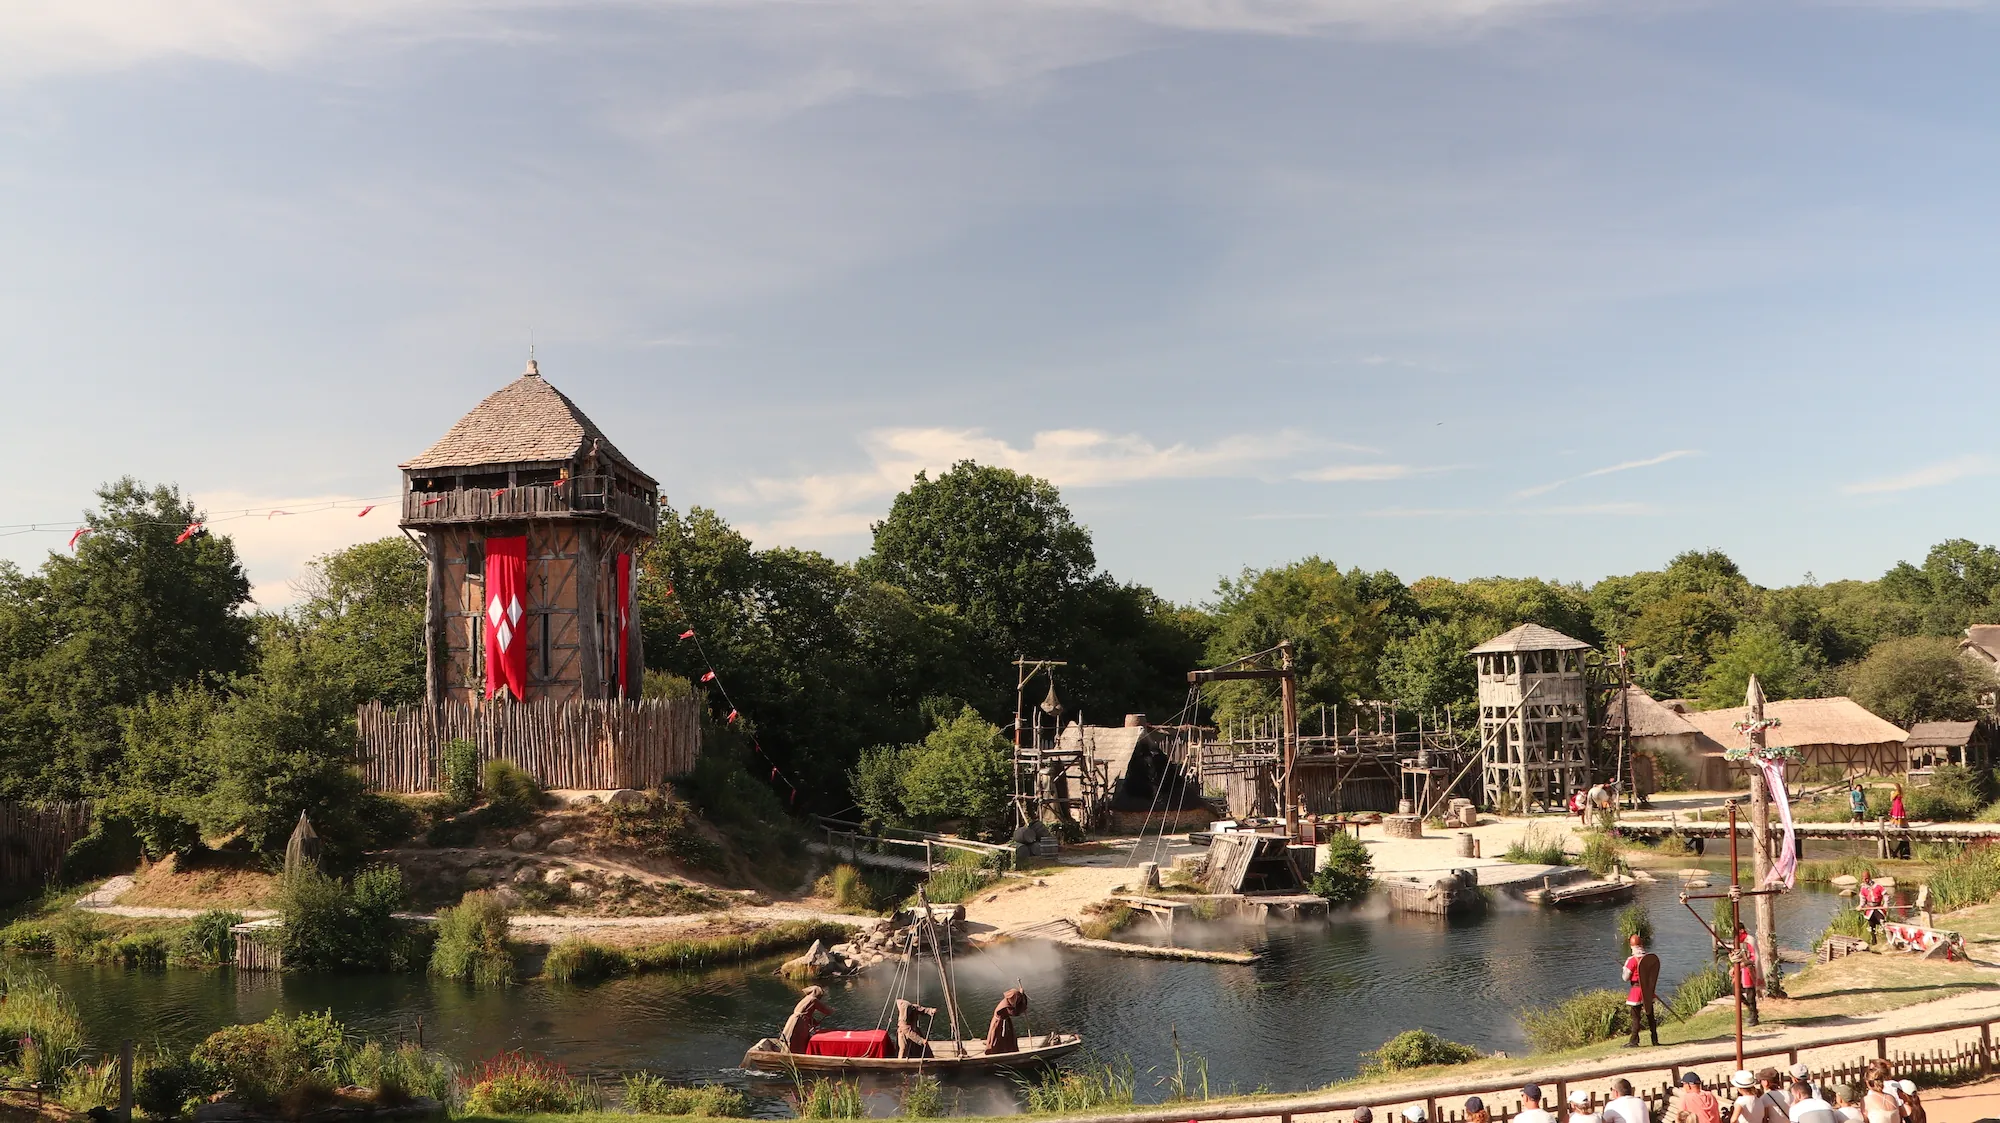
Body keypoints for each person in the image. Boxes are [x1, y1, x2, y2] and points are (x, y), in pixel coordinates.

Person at [1624, 934, 1662, 1047]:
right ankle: (1654, 1040)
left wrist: (1625, 970)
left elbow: (1625, 978)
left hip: (1636, 991)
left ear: (1632, 946)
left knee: (1636, 1017)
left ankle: (1634, 1041)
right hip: (1648, 990)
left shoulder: (1632, 960)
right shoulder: (1648, 958)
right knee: (1650, 1016)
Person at [781, 986, 834, 1053]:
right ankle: (796, 1053)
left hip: (793, 1019)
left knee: (790, 1037)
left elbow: (806, 1012)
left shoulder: (806, 998)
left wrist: (813, 1021)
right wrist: (831, 1010)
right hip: (799, 1021)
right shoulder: (813, 1000)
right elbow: (826, 1010)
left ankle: (787, 1051)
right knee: (798, 1038)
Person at [1733, 924, 1763, 1026]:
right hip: (1740, 971)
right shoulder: (1739, 942)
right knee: (1735, 991)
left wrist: (1743, 964)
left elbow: (1755, 958)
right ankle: (1752, 1010)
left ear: (1741, 930)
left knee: (1750, 995)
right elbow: (1737, 956)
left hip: (1749, 971)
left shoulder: (1750, 940)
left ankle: (1754, 1017)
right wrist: (1734, 967)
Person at [985, 987, 1028, 1054]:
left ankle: (1007, 1049)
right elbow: (1015, 1013)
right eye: (1017, 998)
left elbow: (1017, 1006)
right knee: (996, 1038)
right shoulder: (1006, 1005)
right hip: (998, 1023)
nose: (1018, 1000)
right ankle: (993, 1051)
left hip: (1005, 1021)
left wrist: (1023, 996)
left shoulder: (1007, 1001)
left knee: (1008, 1038)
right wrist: (1023, 1001)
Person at [1858, 875, 1889, 941]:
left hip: (1878, 908)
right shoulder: (1863, 888)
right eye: (1864, 879)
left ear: (1869, 878)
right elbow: (1862, 899)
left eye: (1866, 879)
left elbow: (1885, 895)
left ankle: (1886, 939)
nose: (1865, 881)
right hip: (1869, 909)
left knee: (1882, 923)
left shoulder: (1878, 886)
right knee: (1871, 926)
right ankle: (1874, 941)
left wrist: (1886, 904)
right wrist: (1861, 906)